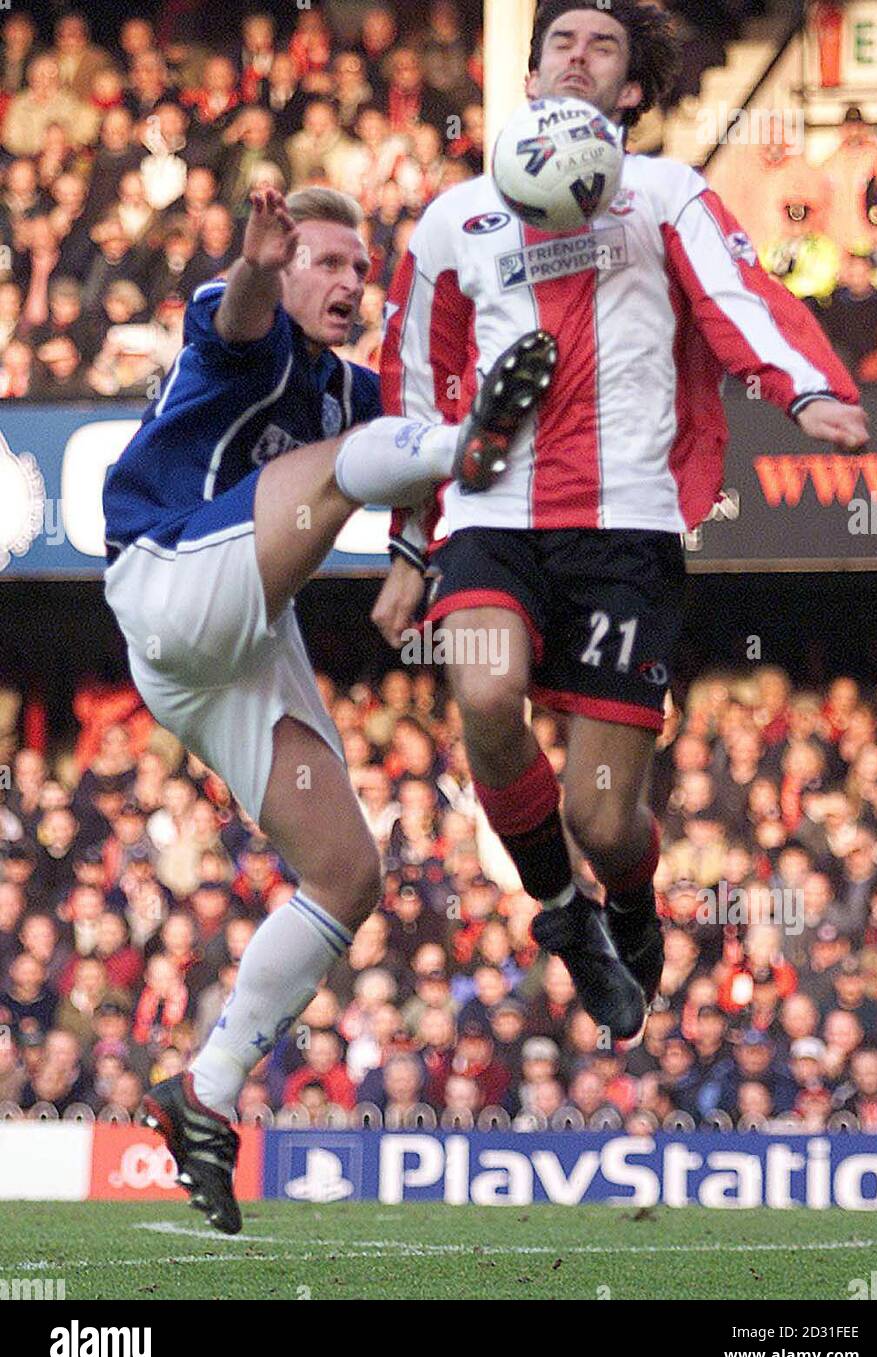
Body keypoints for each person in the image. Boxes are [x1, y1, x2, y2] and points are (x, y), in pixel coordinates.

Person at [375, 0, 869, 1049]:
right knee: (483, 686)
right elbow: (414, 388)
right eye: (561, 42)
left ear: (632, 90)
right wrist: (412, 544)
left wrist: (801, 390)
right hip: (491, 511)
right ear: (533, 76)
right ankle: (567, 919)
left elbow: (742, 296)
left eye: (604, 46)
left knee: (606, 817)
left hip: (627, 529)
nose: (579, 56)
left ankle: (630, 907)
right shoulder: (452, 218)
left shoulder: (666, 194)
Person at [96, 184, 556, 1234]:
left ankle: (204, 1092)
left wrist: (409, 558)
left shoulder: (349, 391)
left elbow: (390, 460)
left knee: (349, 873)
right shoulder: (237, 329)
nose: (351, 283)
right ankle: (478, 438)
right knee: (364, 456)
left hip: (226, 646)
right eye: (329, 263)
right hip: (168, 586)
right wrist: (258, 263)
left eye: (362, 269)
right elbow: (243, 309)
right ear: (285, 263)